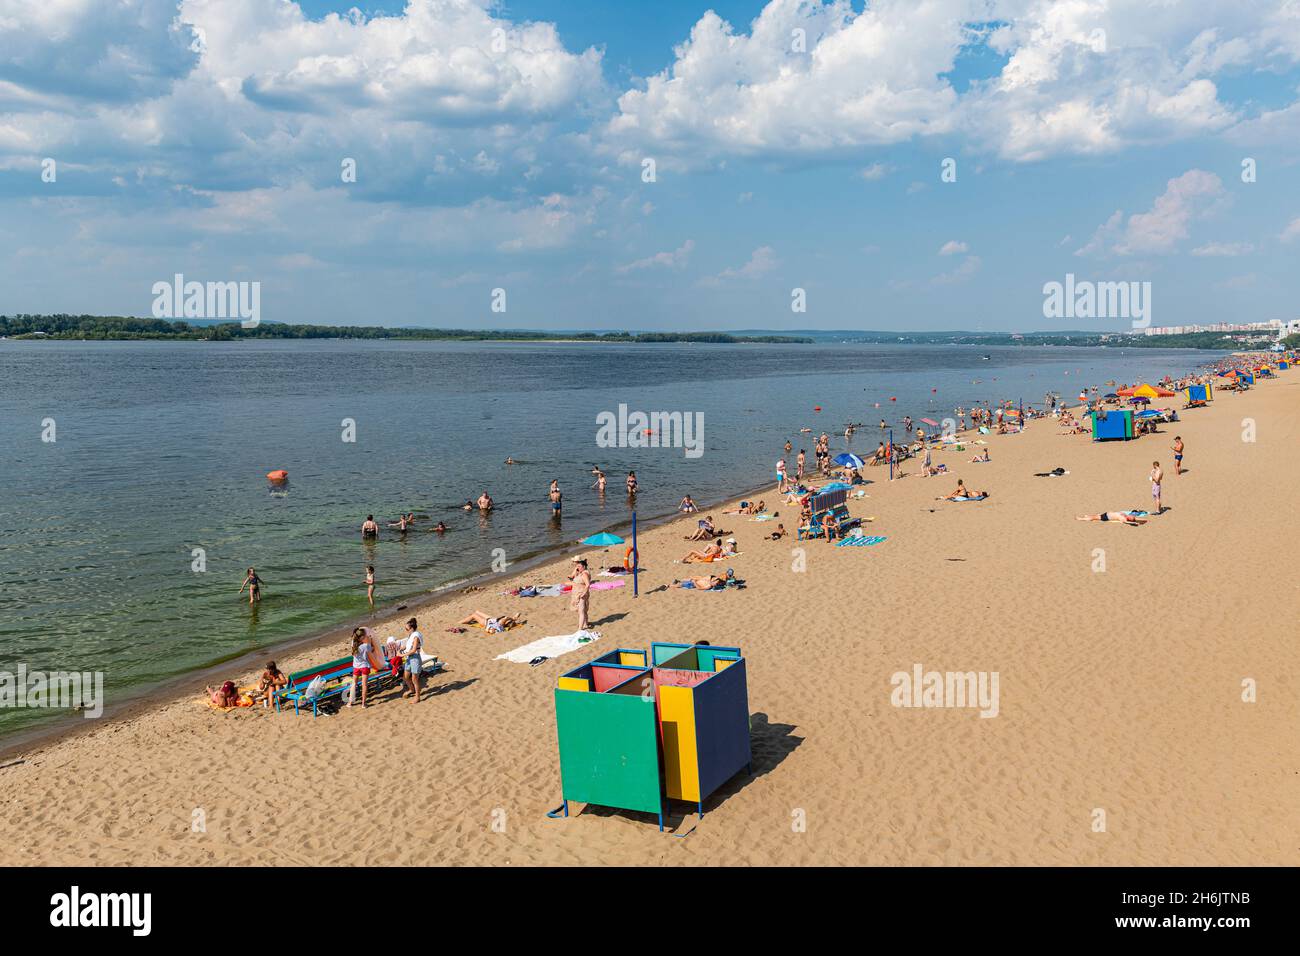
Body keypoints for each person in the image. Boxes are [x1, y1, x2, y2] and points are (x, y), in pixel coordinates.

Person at [401, 618, 424, 701]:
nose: (406, 630)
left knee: (414, 679)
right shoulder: (411, 635)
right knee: (406, 677)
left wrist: (402, 655)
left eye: (407, 629)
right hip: (409, 658)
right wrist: (399, 648)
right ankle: (411, 689)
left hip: (415, 659)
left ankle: (417, 697)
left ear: (412, 628)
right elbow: (407, 646)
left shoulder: (416, 636)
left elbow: (414, 650)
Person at [349, 627, 372, 708]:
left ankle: (349, 703)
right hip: (364, 666)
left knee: (354, 684)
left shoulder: (353, 644)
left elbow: (354, 637)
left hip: (356, 666)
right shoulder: (366, 646)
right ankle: (363, 704)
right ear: (361, 637)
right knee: (364, 685)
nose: (366, 636)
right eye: (364, 636)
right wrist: (369, 640)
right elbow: (372, 650)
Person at [570, 558, 591, 630]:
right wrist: (576, 571)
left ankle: (580, 628)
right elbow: (572, 578)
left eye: (579, 566)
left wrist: (584, 593)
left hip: (582, 594)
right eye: (577, 566)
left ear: (584, 567)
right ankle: (585, 624)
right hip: (578, 593)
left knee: (581, 611)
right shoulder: (581, 573)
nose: (577, 568)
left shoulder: (584, 574)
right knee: (583, 610)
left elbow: (588, 584)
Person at [1076, 512, 1148, 525]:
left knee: (1094, 518)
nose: (1132, 516)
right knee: (1096, 516)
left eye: (1131, 517)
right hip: (1106, 514)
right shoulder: (1125, 515)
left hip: (1106, 517)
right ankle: (1088, 516)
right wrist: (1144, 520)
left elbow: (1126, 522)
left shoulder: (1123, 518)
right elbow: (1136, 518)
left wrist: (1135, 523)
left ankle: (1080, 519)